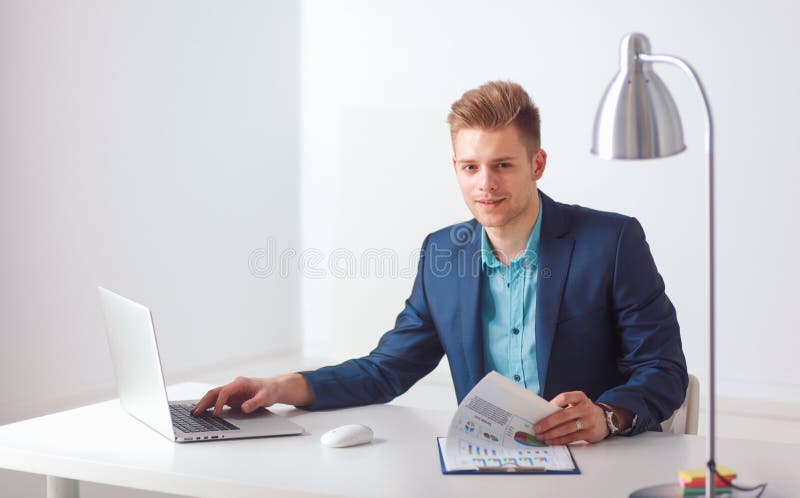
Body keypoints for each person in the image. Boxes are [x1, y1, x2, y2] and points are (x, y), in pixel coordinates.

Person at [192, 81, 688, 445]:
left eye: (503, 165)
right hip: (487, 462)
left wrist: (607, 414)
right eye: (470, 167)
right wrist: (278, 387)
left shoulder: (612, 240)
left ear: (537, 165)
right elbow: (386, 369)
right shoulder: (442, 253)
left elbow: (662, 369)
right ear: (456, 168)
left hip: (594, 463)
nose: (485, 184)